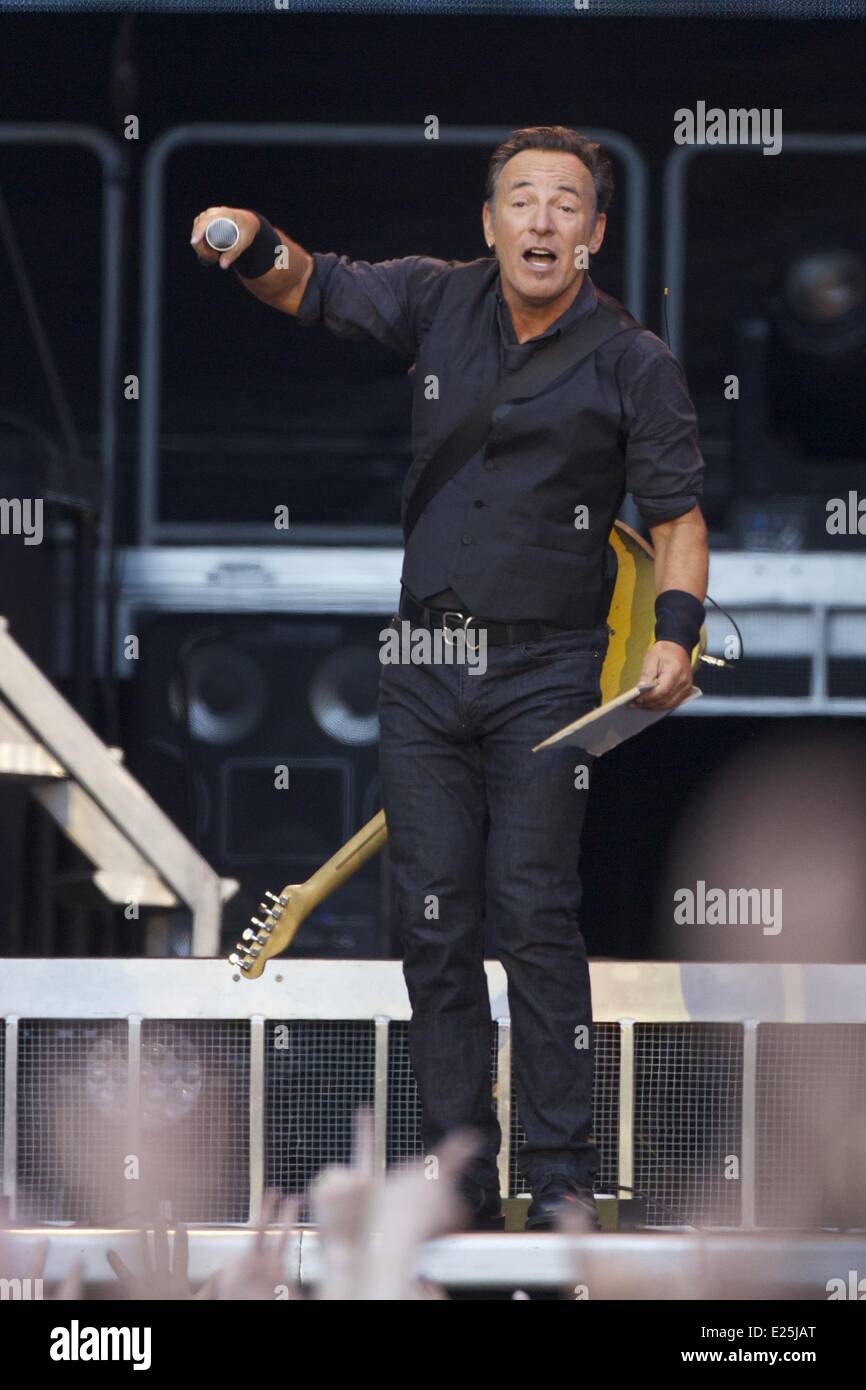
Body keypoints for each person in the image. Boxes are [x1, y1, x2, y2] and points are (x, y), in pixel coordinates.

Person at [191, 124, 709, 1232]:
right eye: (519, 200)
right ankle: (456, 1175)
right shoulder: (435, 300)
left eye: (563, 204)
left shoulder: (632, 359)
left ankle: (561, 1171)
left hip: (550, 667)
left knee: (531, 911)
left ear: (594, 233)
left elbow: (675, 517)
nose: (539, 220)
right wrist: (245, 242)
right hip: (423, 661)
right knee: (430, 923)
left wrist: (674, 632)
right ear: (488, 222)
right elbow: (314, 288)